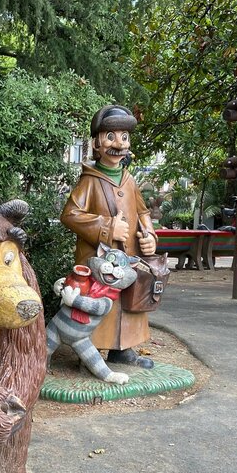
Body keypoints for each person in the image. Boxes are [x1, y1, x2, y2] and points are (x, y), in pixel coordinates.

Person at [60, 104, 158, 365]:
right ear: (97, 143)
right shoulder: (90, 181)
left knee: (127, 303)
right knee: (97, 299)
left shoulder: (130, 180)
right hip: (97, 259)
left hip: (128, 257)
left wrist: (149, 235)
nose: (119, 143)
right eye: (111, 136)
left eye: (124, 137)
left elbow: (142, 211)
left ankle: (122, 348)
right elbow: (70, 214)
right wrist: (106, 227)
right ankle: (89, 348)